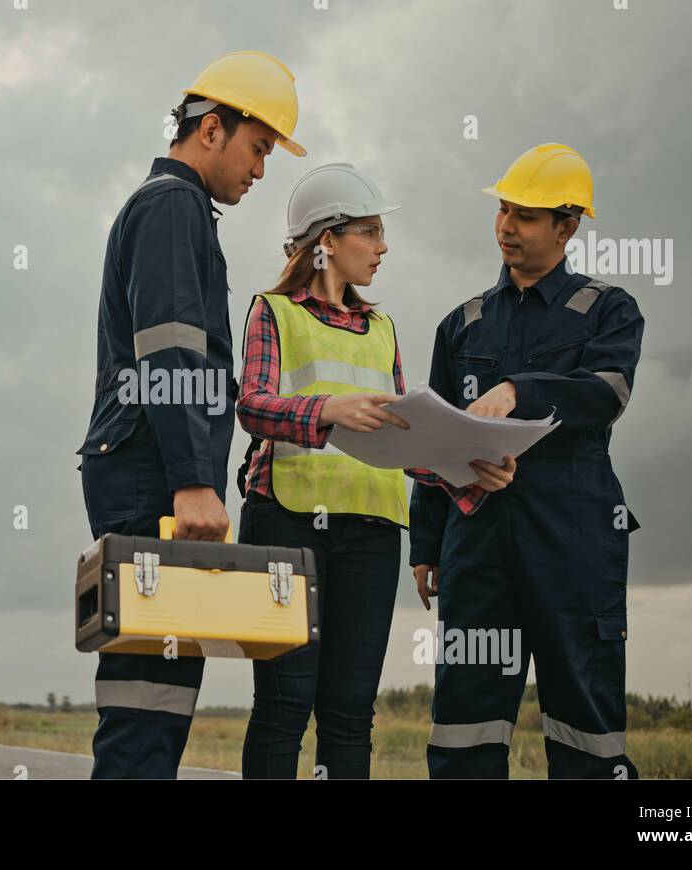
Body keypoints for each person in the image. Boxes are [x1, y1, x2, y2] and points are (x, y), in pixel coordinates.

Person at [234, 163, 516, 778]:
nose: (384, 247)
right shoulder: (272, 312)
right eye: (370, 231)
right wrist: (328, 410)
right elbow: (251, 405)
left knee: (349, 712)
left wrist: (465, 467)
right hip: (287, 522)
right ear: (326, 239)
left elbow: (402, 439)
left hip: (371, 532)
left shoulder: (382, 328)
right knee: (284, 704)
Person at [75, 50, 306, 779]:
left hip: (142, 469)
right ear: (211, 129)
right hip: (153, 476)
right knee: (147, 713)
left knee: (151, 702)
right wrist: (192, 480)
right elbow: (170, 353)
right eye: (258, 148)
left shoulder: (173, 209)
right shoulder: (172, 206)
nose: (262, 170)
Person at [411, 143, 645, 778]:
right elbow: (434, 440)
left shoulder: (608, 309)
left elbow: (606, 394)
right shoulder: (460, 325)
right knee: (464, 725)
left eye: (527, 216)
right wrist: (426, 543)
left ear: (567, 227)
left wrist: (520, 392)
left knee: (584, 725)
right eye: (503, 210)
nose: (506, 226)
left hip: (574, 541)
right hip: (477, 548)